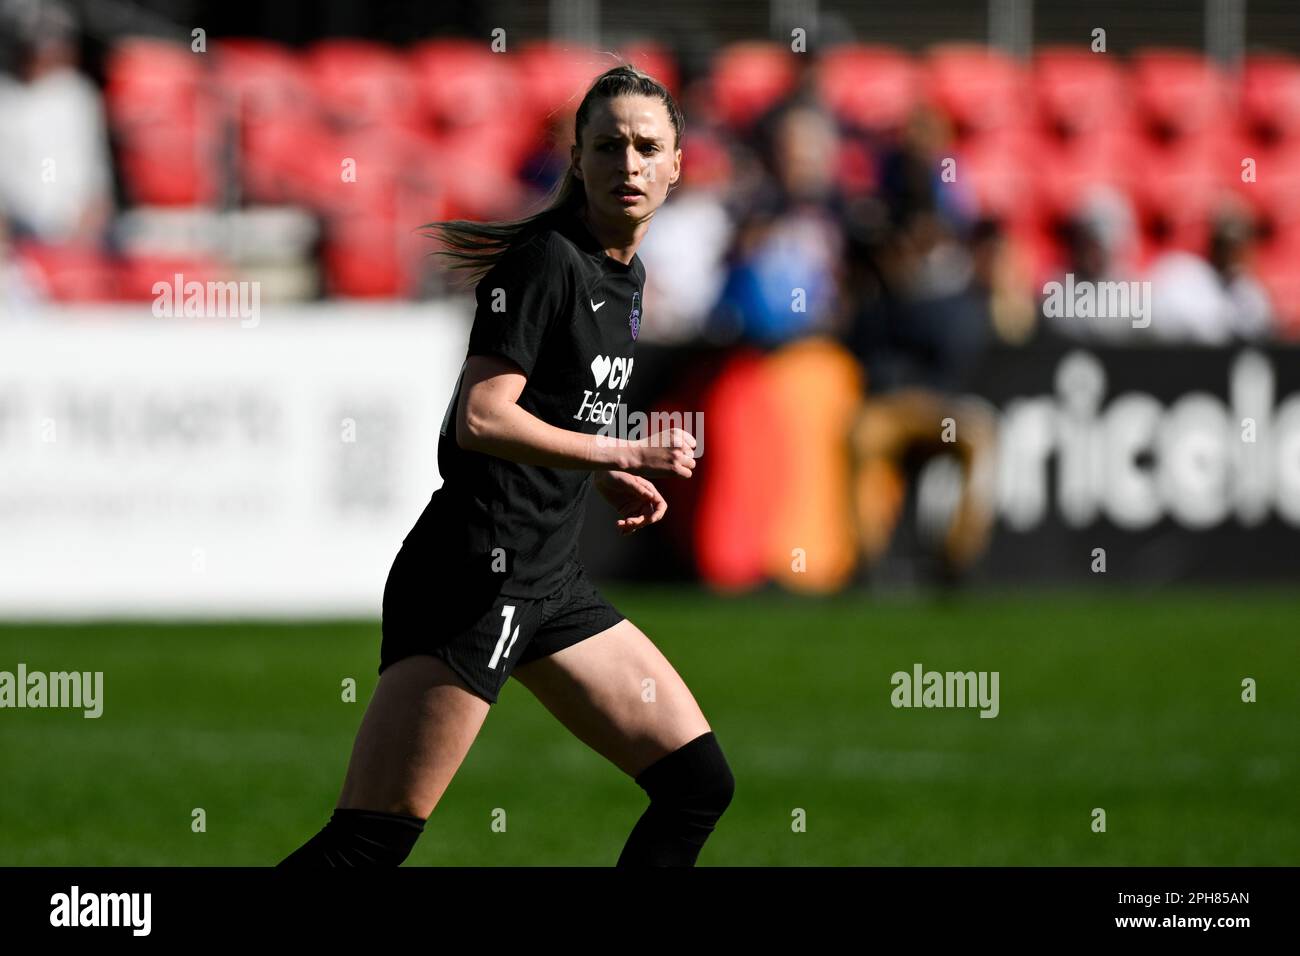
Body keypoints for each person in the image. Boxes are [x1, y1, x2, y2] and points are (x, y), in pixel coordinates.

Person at [278, 65, 734, 867]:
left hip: (547, 581)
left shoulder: (623, 275)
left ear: (677, 163)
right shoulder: (546, 261)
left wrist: (598, 471)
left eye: (645, 147)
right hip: (473, 579)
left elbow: (553, 407)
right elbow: (483, 416)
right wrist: (622, 448)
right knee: (367, 845)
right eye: (607, 146)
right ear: (577, 159)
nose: (627, 164)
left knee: (697, 782)